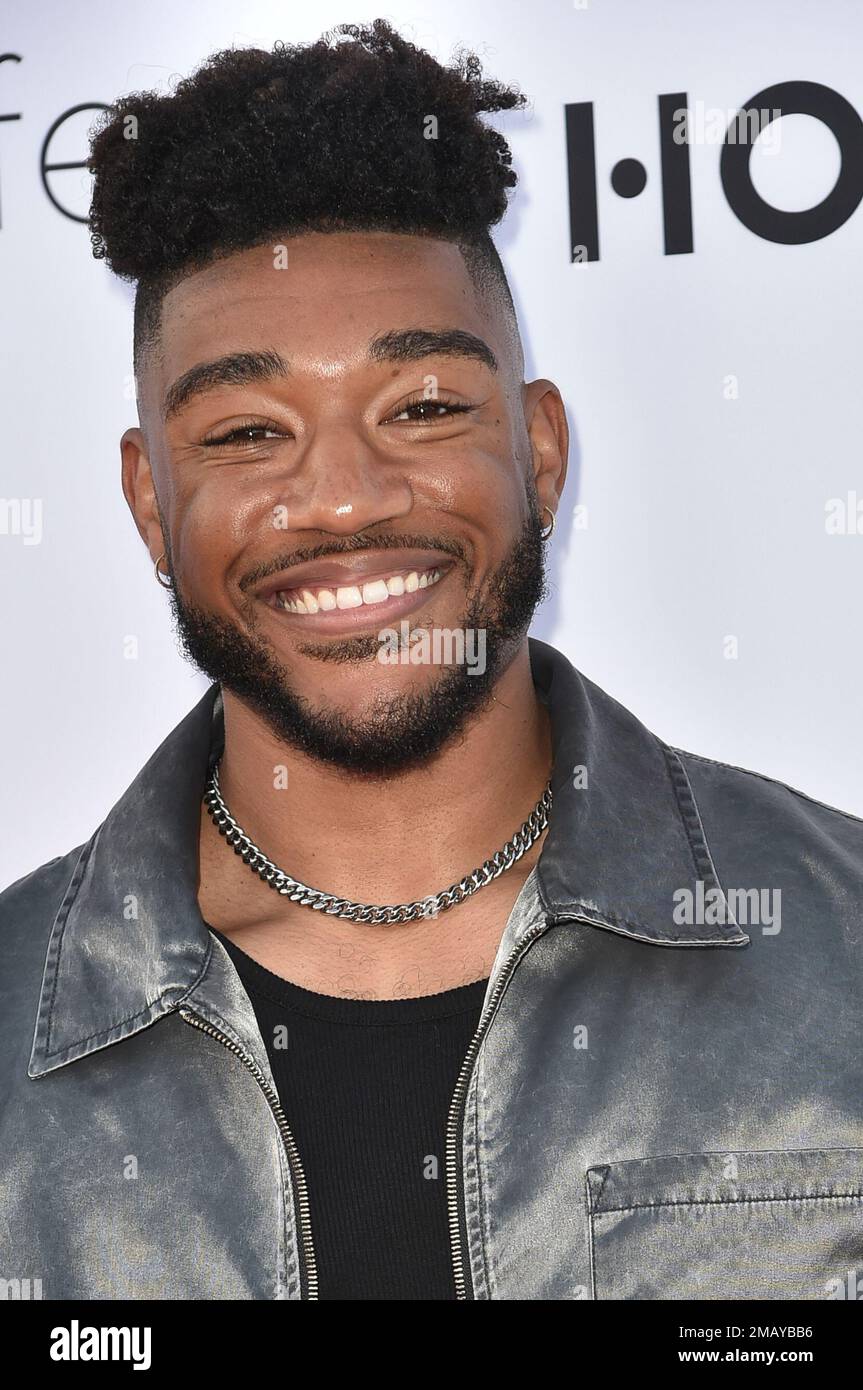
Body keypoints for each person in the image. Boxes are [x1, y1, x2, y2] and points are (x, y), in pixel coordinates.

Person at [2, 19, 861, 1302]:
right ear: (149, 505)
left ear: (542, 452)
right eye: (246, 430)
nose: (342, 500)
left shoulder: (837, 952)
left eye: (422, 408)